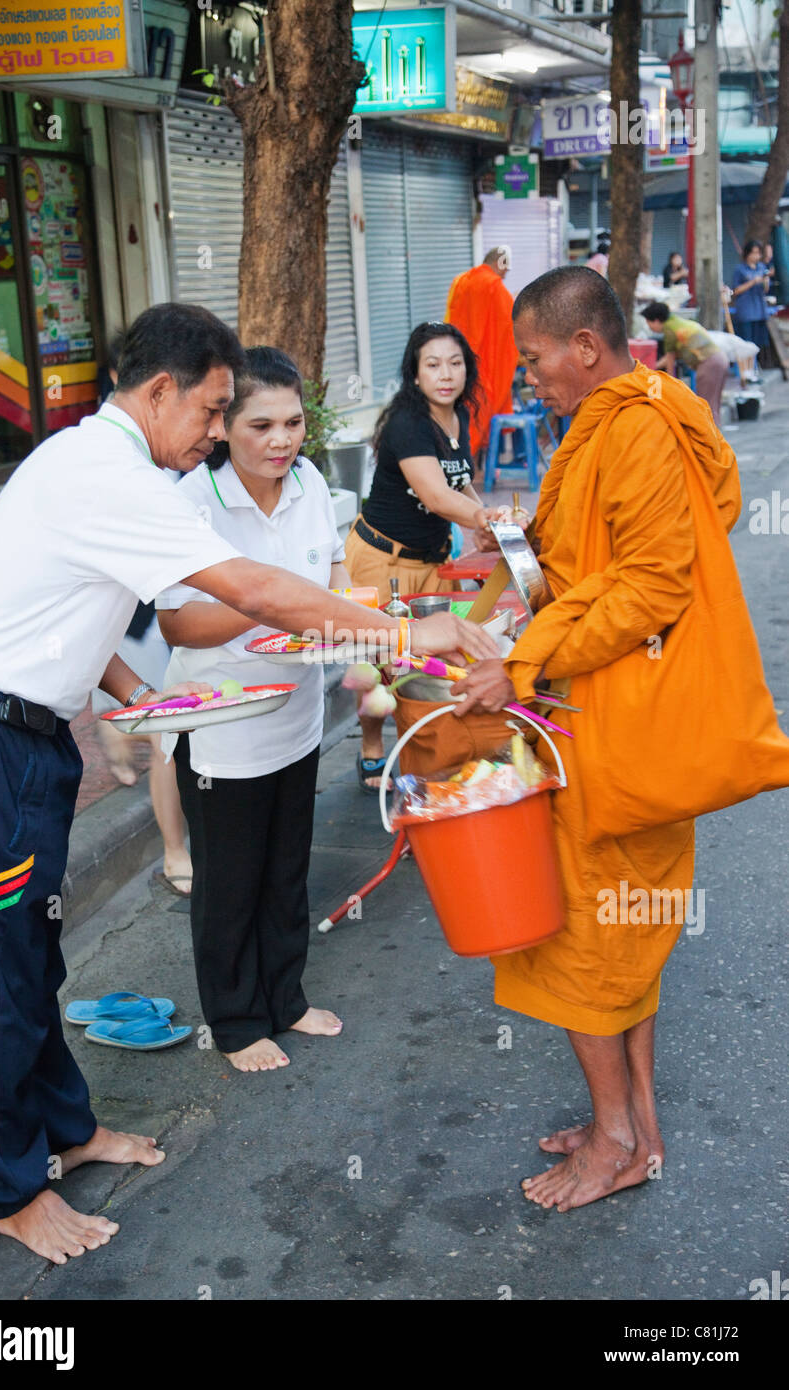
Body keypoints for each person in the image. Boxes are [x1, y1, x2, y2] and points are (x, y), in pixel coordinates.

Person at [0, 302, 496, 1270]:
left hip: (21, 733)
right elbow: (257, 591)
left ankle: (68, 1129)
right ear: (161, 391)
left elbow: (56, 596)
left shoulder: (95, 465)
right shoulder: (109, 473)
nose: (218, 430)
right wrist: (405, 634)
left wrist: (129, 692)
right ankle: (9, 1187)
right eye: (216, 408)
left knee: (32, 954)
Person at [452, 266, 749, 1211]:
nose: (528, 379)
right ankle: (638, 1123)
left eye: (534, 360)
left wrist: (525, 662)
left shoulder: (637, 427)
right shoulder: (633, 413)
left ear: (586, 346)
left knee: (585, 932)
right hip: (606, 710)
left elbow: (654, 584)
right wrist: (507, 557)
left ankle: (614, 1141)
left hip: (617, 722)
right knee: (622, 933)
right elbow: (596, 557)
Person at [157, 347, 347, 1073]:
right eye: (261, 424)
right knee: (229, 880)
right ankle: (235, 1022)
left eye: (294, 422)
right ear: (224, 426)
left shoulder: (310, 483)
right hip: (221, 725)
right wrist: (263, 602)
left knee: (286, 867)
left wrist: (347, 620)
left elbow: (332, 582)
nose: (281, 440)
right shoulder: (191, 504)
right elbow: (177, 624)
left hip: (297, 712)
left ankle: (286, 997)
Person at [344, 321, 504, 791]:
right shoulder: (407, 424)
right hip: (381, 560)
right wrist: (485, 519)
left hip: (434, 562)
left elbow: (458, 482)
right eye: (432, 365)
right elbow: (436, 497)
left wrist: (481, 520)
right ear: (415, 375)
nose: (445, 374)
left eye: (455, 363)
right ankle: (372, 750)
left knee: (432, 665)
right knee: (377, 663)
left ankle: (429, 759)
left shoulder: (458, 417)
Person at [92, 331, 194, 895]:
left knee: (162, 730)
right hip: (138, 612)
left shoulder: (190, 450)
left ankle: (119, 733)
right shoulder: (104, 454)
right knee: (163, 735)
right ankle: (175, 849)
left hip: (176, 608)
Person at [445, 246, 519, 454]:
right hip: (484, 363)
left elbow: (450, 318)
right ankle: (473, 460)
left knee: (460, 408)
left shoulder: (460, 281)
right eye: (506, 268)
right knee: (481, 408)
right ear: (499, 263)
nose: (506, 273)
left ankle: (459, 455)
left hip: (457, 359)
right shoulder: (493, 286)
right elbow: (511, 322)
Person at [642, 301, 730, 427]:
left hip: (708, 363)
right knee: (714, 404)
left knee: (705, 406)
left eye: (649, 323)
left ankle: (709, 439)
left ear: (656, 320)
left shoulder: (669, 330)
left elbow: (670, 361)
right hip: (720, 359)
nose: (650, 327)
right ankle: (716, 437)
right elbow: (670, 357)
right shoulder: (677, 322)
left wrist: (669, 385)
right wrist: (651, 366)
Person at [730, 239, 770, 359]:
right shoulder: (740, 269)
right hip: (746, 311)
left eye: (758, 253)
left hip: (760, 310)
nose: (756, 256)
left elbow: (765, 290)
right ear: (747, 253)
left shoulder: (762, 267)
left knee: (758, 342)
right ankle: (747, 369)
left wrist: (765, 282)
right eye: (753, 253)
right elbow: (735, 291)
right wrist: (753, 282)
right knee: (746, 343)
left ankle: (755, 367)